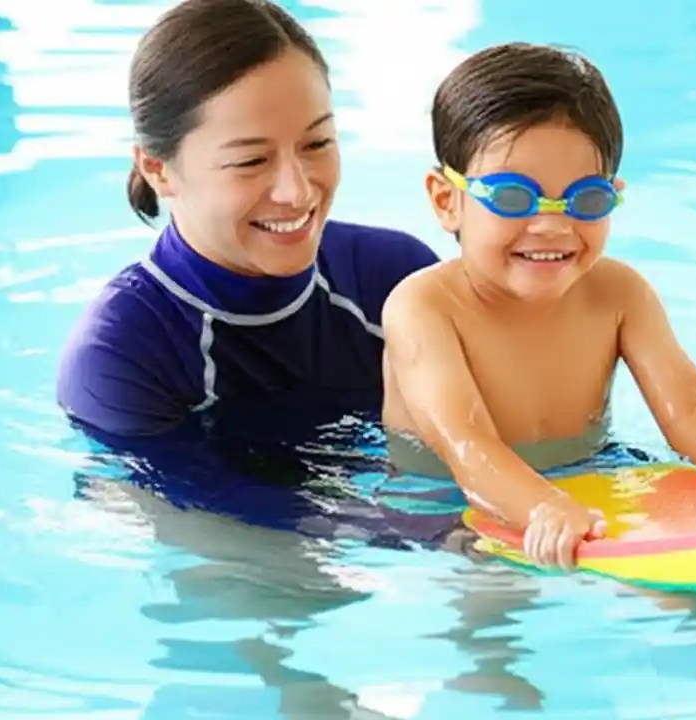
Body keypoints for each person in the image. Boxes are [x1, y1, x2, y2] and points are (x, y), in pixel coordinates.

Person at [381, 42, 696, 572]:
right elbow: (466, 444)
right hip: (439, 499)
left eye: (586, 199)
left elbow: (692, 411)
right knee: (492, 597)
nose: (552, 225)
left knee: (686, 582)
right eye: (511, 198)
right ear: (445, 200)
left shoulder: (618, 293)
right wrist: (544, 506)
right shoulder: (425, 306)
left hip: (597, 471)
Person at [54, 0, 446, 546]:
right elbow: (197, 509)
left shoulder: (394, 281)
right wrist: (416, 533)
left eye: (317, 144)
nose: (297, 191)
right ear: (158, 169)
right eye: (250, 161)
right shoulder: (123, 353)